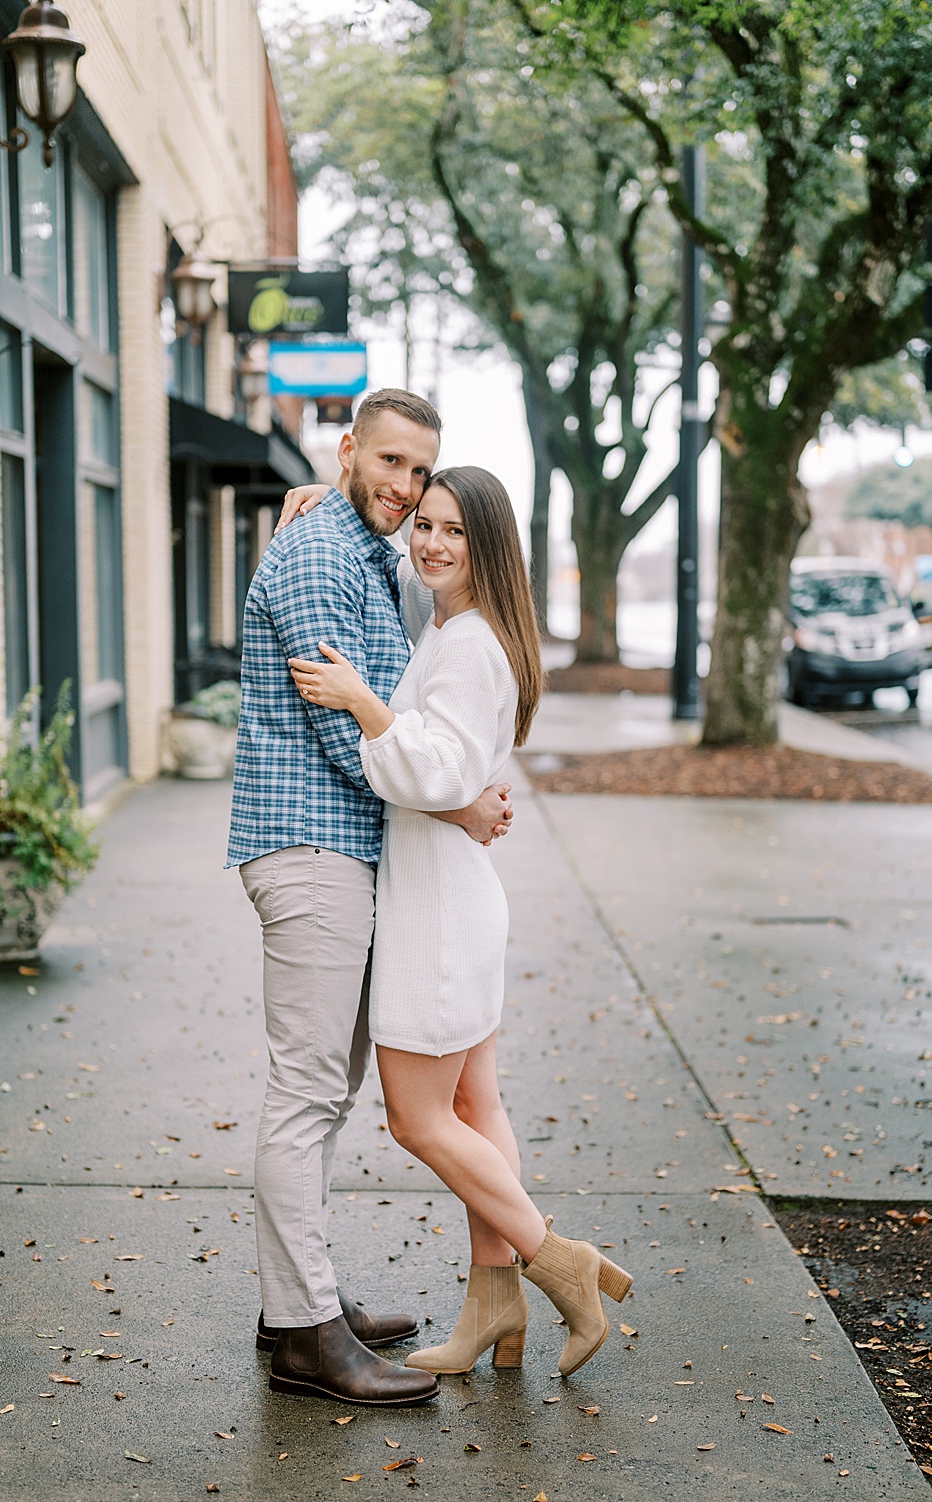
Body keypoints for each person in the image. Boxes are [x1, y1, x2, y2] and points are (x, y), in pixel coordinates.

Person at [289, 466, 632, 1380]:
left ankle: (560, 1263)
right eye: (425, 525)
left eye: (454, 531)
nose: (431, 544)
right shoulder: (456, 622)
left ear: (490, 545)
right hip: (453, 891)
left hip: (439, 911)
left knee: (417, 1118)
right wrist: (325, 494)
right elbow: (382, 563)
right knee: (476, 1106)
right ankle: (493, 1307)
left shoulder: (473, 644)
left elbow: (438, 774)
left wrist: (363, 703)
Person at [227, 390, 514, 1409]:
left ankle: (295, 1298)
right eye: (385, 462)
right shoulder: (316, 556)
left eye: (415, 471)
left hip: (343, 853)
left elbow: (407, 688)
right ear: (347, 450)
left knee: (324, 1091)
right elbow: (343, 741)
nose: (400, 486)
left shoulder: (359, 548)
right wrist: (459, 810)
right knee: (306, 1092)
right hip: (308, 847)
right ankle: (305, 1334)